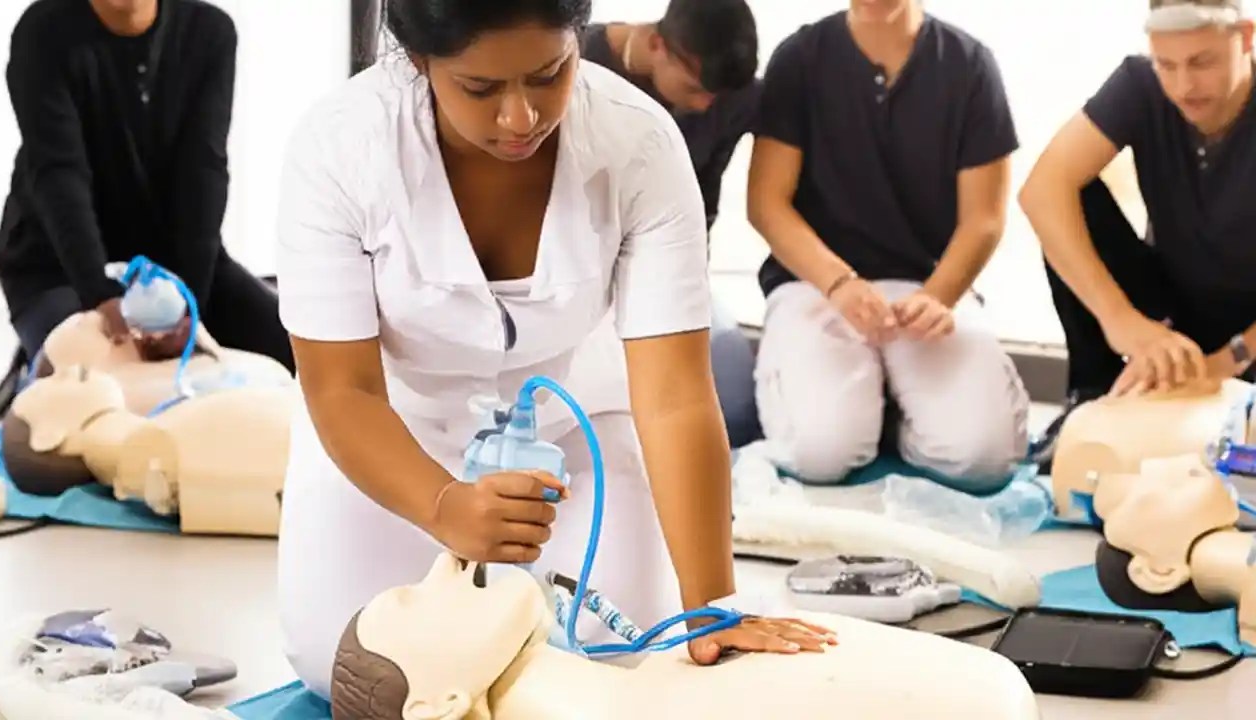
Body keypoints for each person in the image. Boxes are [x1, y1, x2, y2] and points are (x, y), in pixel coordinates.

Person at [273, 0, 830, 699]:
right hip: (389, 437)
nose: (521, 119)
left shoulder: (640, 144)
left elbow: (676, 394)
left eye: (548, 74)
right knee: (354, 668)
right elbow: (341, 390)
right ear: (420, 62)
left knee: (622, 653)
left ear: (578, 39)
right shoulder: (338, 147)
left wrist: (711, 606)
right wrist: (444, 506)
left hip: (575, 438)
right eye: (481, 89)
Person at [745, 0, 1029, 487]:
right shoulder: (801, 58)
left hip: (924, 293)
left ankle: (892, 408)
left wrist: (938, 296)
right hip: (816, 284)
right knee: (821, 453)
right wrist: (839, 284)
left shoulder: (969, 65)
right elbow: (767, 203)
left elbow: (983, 219)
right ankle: (867, 402)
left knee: (982, 459)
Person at [0, 0, 293, 418]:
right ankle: (34, 356)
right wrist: (100, 295)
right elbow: (60, 173)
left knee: (302, 351)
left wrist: (187, 301)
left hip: (168, 261)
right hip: (57, 266)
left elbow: (203, 171)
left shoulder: (210, 32)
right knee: (90, 402)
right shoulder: (42, 31)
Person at [1020, 0, 1256, 463]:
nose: (1184, 86)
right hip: (1176, 298)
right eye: (1167, 64)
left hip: (1250, 329)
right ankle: (1091, 393)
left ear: (1247, 38)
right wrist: (1120, 321)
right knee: (1073, 200)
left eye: (1202, 63)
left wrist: (1227, 362)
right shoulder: (1139, 84)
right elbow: (1040, 191)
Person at [579, 0, 764, 447]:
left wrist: (686, 286)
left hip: (669, 267)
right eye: (696, 88)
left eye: (716, 97)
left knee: (735, 403)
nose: (704, 106)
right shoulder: (575, 65)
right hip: (584, 275)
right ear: (657, 43)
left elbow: (706, 198)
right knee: (614, 405)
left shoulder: (730, 95)